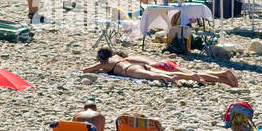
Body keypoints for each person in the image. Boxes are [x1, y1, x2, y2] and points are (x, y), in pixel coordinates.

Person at [84, 49, 239, 87]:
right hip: (163, 62)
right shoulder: (127, 58)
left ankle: (222, 75)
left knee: (193, 75)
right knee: (192, 73)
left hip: (157, 66)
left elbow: (87, 70)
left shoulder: (114, 62)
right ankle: (223, 79)